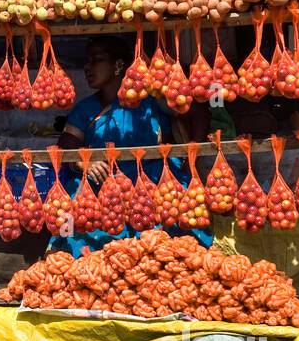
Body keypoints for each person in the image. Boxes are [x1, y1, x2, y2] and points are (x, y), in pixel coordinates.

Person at [53, 34, 210, 255]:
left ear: (118, 65)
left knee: (170, 245)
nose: (88, 68)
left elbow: (200, 111)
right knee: (71, 213)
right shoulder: (85, 109)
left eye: (96, 60)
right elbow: (65, 147)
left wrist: (193, 158)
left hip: (155, 185)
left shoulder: (152, 101)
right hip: (103, 188)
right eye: (87, 62)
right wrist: (83, 163)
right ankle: (68, 256)